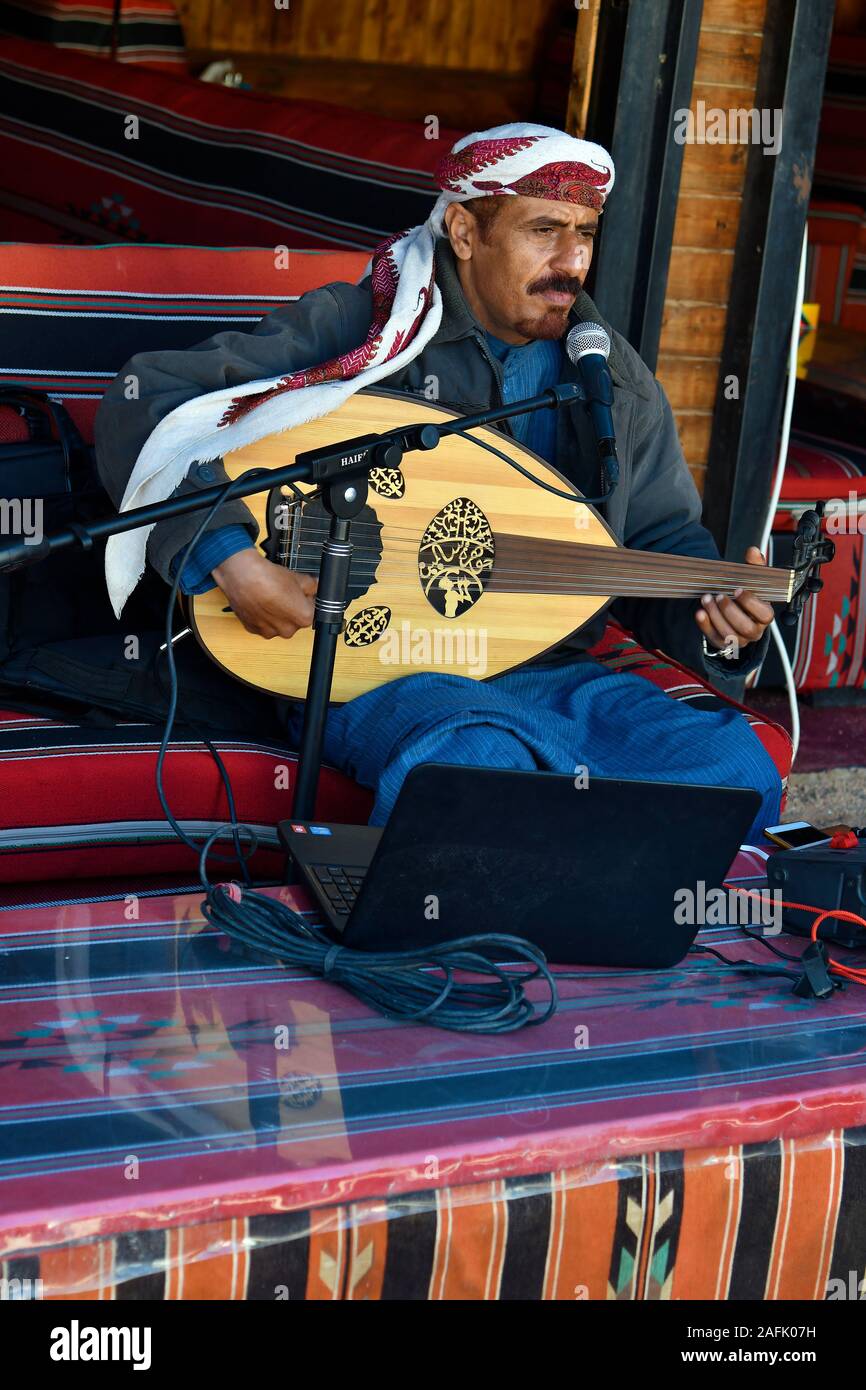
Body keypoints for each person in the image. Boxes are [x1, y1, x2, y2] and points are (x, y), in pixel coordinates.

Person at [94, 123, 781, 835]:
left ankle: (604, 935)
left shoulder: (609, 378)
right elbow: (148, 398)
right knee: (475, 765)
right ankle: (446, 944)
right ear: (463, 230)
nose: (572, 261)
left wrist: (719, 614)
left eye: (585, 232)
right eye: (544, 230)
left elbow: (659, 539)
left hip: (544, 668)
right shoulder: (364, 328)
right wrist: (228, 558)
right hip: (374, 666)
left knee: (735, 766)